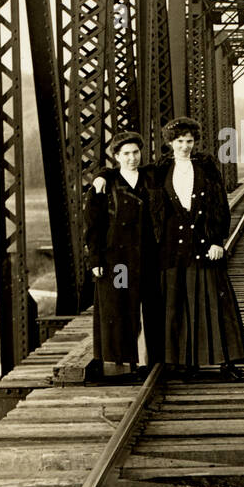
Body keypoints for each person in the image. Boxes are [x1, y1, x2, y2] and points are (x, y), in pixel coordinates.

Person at [148, 116, 244, 382]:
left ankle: (227, 363)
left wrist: (218, 240)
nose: (185, 146)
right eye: (180, 141)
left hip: (204, 245)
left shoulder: (206, 167)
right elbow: (127, 173)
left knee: (217, 304)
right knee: (177, 306)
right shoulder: (159, 170)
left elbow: (220, 204)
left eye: (189, 141)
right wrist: (102, 175)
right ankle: (186, 364)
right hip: (172, 250)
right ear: (170, 143)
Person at [85, 130, 162, 381]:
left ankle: (148, 361)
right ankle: (122, 365)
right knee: (120, 307)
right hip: (118, 261)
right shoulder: (105, 185)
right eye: (126, 154)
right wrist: (95, 259)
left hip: (147, 257)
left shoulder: (150, 177)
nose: (132, 158)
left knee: (148, 307)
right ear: (116, 157)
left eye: (136, 152)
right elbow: (93, 225)